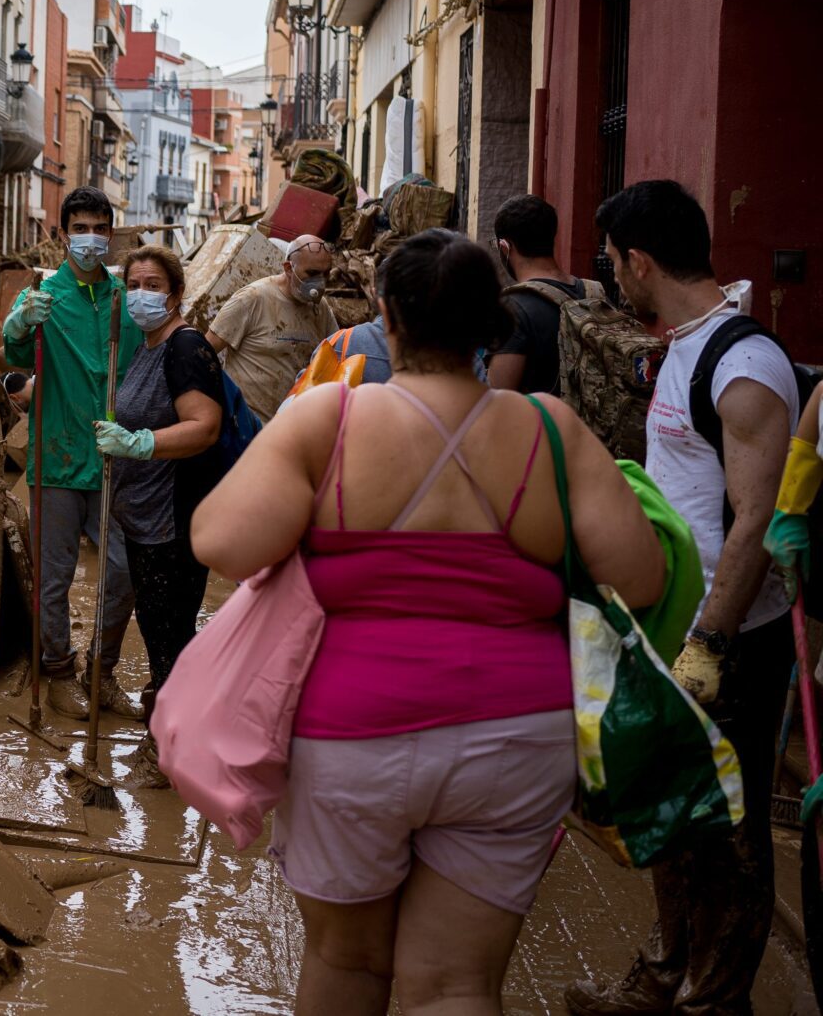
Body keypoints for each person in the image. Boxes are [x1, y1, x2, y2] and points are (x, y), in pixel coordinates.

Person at [193, 229, 663, 1016]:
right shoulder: (550, 429)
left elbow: (222, 541)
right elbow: (640, 579)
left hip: (351, 736)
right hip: (517, 738)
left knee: (346, 962)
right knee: (456, 986)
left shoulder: (329, 419)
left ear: (387, 315)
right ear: (493, 322)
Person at [570, 180, 801, 1016]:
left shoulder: (746, 363)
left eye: (613, 264)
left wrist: (710, 643)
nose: (612, 282)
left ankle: (713, 1000)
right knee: (670, 806)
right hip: (670, 626)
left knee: (730, 832)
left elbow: (754, 522)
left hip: (729, 637)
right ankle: (665, 973)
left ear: (639, 261)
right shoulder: (688, 344)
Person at [1, 186, 140, 719]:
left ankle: (100, 672)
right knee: (54, 578)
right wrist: (19, 325)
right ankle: (57, 671)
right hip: (57, 460)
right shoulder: (42, 297)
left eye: (99, 229)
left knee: (125, 572)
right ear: (62, 234)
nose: (90, 238)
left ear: (111, 233)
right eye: (79, 228)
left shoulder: (125, 301)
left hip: (115, 459)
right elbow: (12, 357)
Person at [92, 244, 227, 721]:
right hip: (143, 519)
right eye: (132, 286)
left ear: (176, 295)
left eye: (153, 287)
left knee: (169, 632)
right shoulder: (146, 347)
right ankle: (169, 726)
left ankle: (173, 744)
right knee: (156, 630)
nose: (140, 296)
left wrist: (139, 444)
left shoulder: (185, 347)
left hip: (173, 521)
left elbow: (204, 425)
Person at [207, 234, 339, 423]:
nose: (320, 282)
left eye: (325, 274)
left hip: (291, 428)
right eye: (312, 273)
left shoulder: (320, 308)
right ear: (288, 268)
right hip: (246, 428)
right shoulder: (252, 299)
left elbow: (335, 356)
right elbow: (204, 354)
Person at [487, 195, 591, 395]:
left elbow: (498, 400)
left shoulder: (512, 310)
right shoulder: (594, 293)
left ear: (505, 247)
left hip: (542, 425)